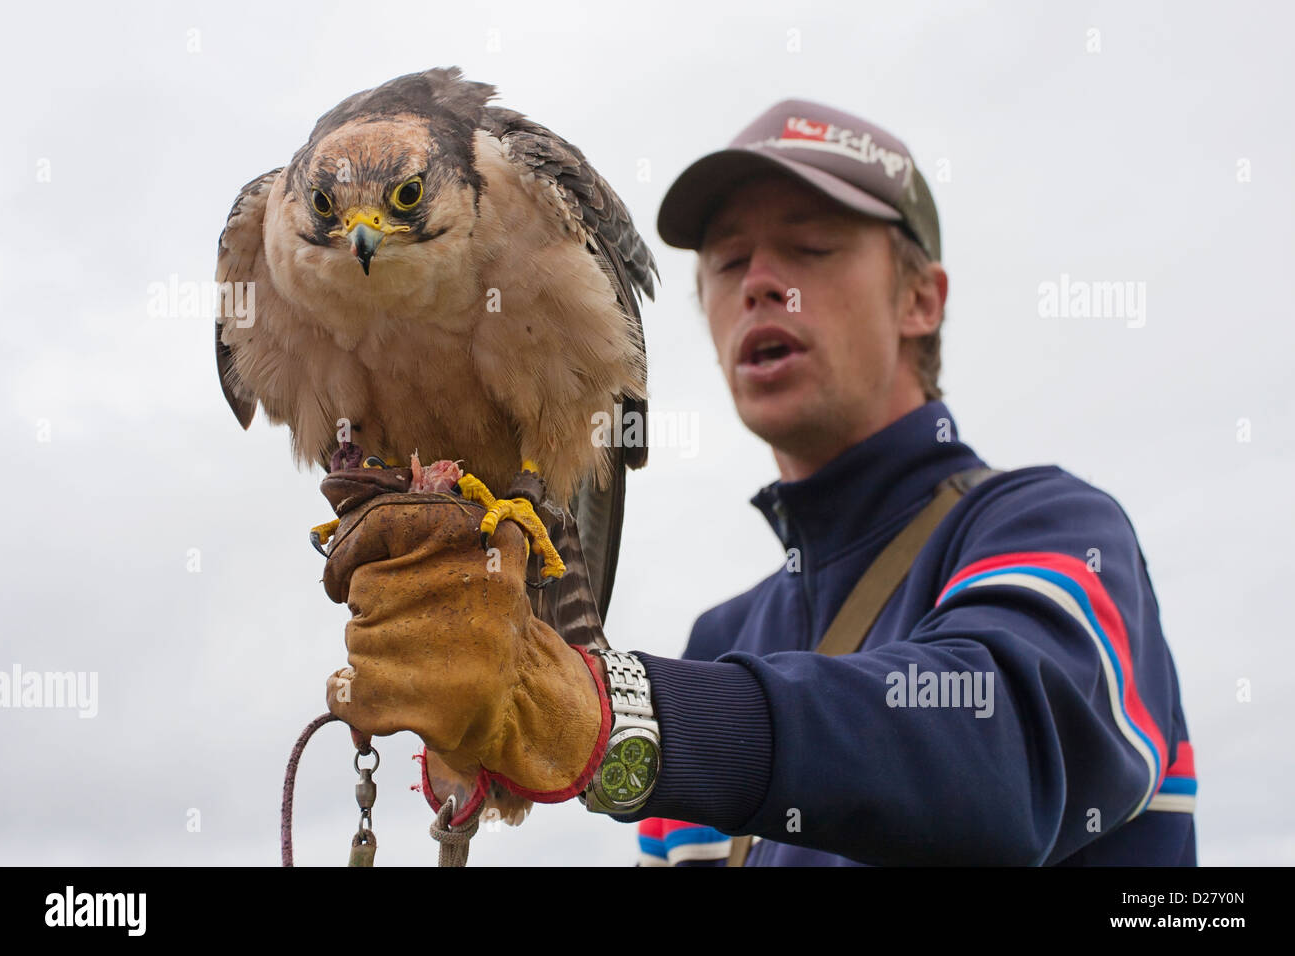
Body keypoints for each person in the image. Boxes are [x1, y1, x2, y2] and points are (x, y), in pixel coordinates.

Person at [325, 98, 1198, 867]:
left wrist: (615, 713)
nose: (763, 286)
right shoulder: (722, 639)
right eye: (731, 263)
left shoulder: (1055, 530)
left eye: (811, 249)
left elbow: (1003, 758)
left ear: (921, 301)